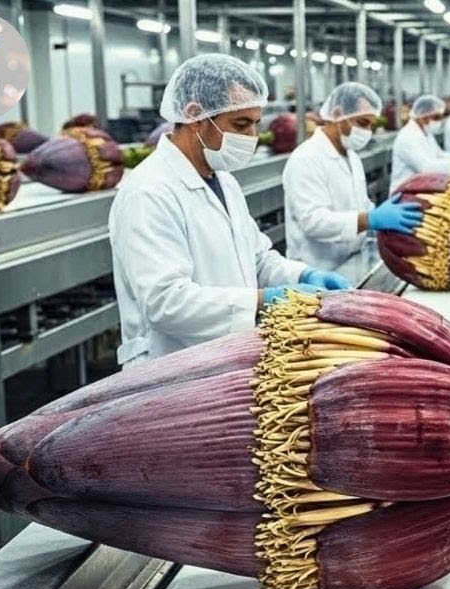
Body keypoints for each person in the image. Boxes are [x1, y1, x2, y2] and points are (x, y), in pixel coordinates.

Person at [108, 54, 350, 368]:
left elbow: (257, 258)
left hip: (228, 358)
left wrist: (303, 274)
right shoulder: (149, 191)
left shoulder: (223, 180)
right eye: (240, 124)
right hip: (173, 369)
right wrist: (265, 300)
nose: (251, 136)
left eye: (255, 124)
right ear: (195, 114)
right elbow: (165, 302)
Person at [283, 82, 422, 273]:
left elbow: (360, 205)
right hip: (316, 270)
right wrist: (370, 219)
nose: (367, 132)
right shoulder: (306, 158)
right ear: (338, 114)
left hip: (351, 261)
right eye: (363, 123)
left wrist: (379, 215)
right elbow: (314, 223)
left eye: (371, 125)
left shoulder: (352, 156)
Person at [390, 94, 450, 191]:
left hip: (420, 186)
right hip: (404, 192)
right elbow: (425, 167)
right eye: (436, 117)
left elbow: (438, 154)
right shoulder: (407, 137)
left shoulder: (426, 133)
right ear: (422, 117)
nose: (439, 121)